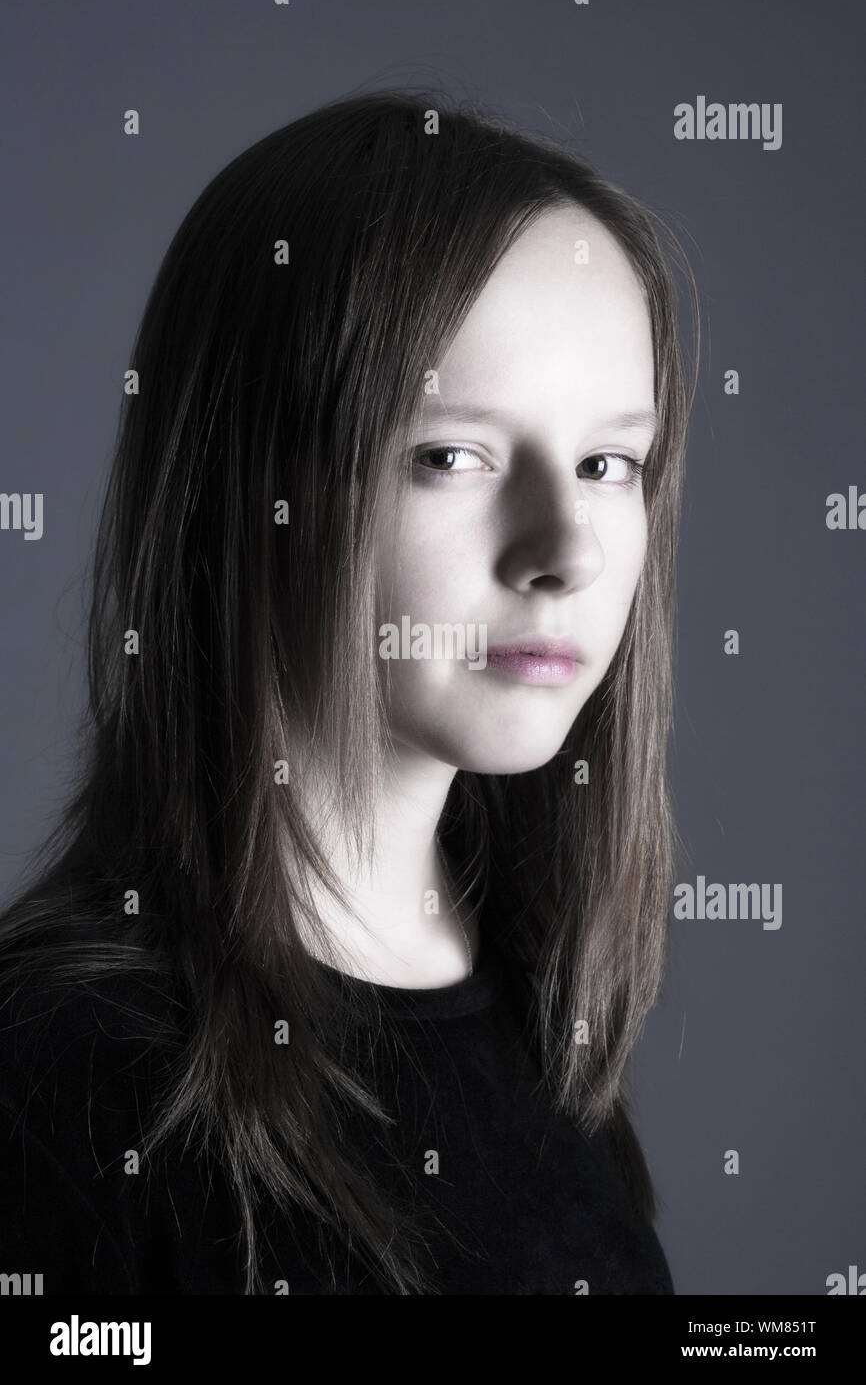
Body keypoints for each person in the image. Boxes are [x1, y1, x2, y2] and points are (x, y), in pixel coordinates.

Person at [0, 86, 698, 1295]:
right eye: (451, 456)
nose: (567, 549)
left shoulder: (543, 1020)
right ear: (250, 487)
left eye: (604, 462)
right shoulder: (54, 1078)